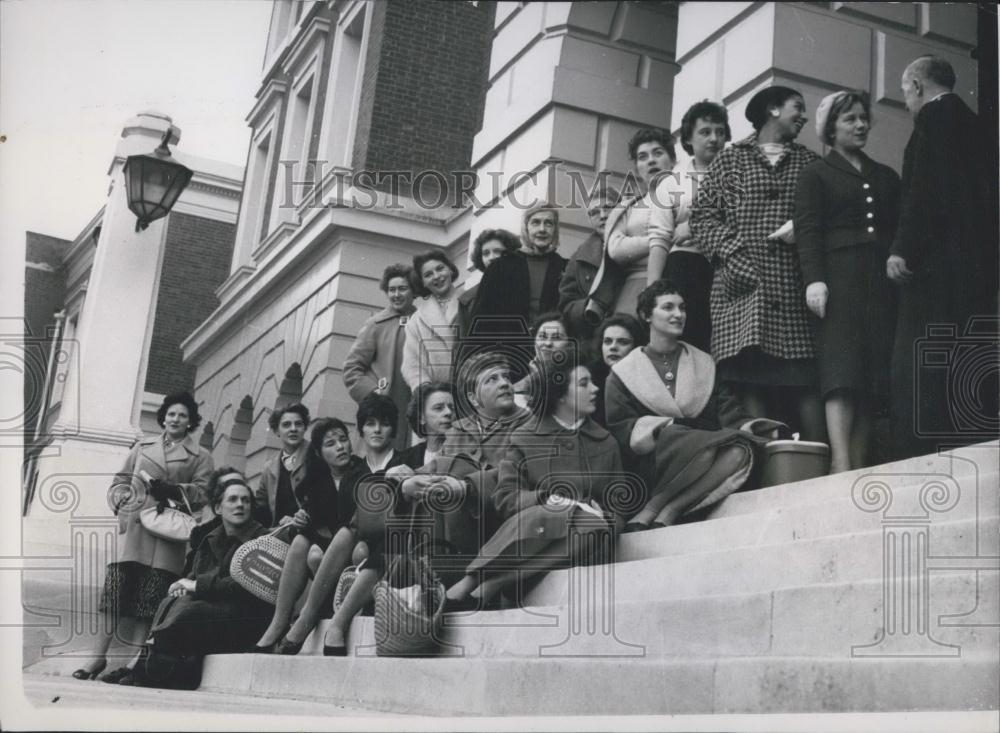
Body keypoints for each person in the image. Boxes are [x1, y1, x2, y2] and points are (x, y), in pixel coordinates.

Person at [690, 86, 826, 441]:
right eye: (798, 107)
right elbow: (703, 218)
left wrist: (803, 226)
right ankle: (762, 474)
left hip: (794, 288)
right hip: (742, 290)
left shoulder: (810, 163)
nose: (804, 116)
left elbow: (825, 216)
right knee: (750, 383)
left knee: (806, 381)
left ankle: (818, 465)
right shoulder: (732, 160)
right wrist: (735, 255)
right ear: (773, 109)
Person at [444, 360, 625, 610]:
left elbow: (619, 509)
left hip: (582, 542)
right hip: (531, 532)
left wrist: (604, 515)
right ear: (560, 395)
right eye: (584, 384)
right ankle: (473, 580)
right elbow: (505, 498)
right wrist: (546, 499)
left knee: (591, 524)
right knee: (561, 512)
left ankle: (488, 585)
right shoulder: (525, 437)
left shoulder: (607, 443)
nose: (595, 389)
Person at [605, 280, 785, 531]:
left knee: (740, 452)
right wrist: (660, 428)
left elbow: (727, 408)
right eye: (668, 307)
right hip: (655, 460)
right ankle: (652, 506)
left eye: (682, 308)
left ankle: (670, 509)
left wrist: (750, 425)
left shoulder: (703, 363)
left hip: (702, 452)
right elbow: (621, 427)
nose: (678, 315)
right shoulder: (623, 373)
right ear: (647, 315)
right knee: (706, 448)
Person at [888, 56, 998, 459]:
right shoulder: (980, 125)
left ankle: (922, 451)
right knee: (970, 356)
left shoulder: (931, 122)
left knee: (922, 359)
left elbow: (924, 191)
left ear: (917, 85)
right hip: (979, 269)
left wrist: (903, 248)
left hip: (935, 268)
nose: (904, 101)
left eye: (903, 91)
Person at [794, 90, 900, 472]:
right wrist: (814, 281)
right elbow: (808, 231)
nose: (860, 125)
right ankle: (840, 460)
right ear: (830, 128)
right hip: (839, 282)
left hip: (879, 284)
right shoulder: (815, 173)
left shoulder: (886, 175)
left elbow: (897, 228)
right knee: (842, 372)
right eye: (850, 119)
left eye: (862, 118)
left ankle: (858, 461)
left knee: (872, 374)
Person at [76, 392, 213, 684]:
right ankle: (96, 657)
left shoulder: (201, 456)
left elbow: (204, 492)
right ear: (163, 417)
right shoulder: (142, 446)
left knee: (148, 601)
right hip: (135, 530)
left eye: (183, 416)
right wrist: (122, 504)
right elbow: (120, 480)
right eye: (172, 414)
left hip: (166, 537)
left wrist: (174, 489)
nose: (175, 420)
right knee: (114, 596)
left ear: (191, 422)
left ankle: (133, 662)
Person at [271, 395, 416, 655]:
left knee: (354, 542)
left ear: (393, 429)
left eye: (384, 424)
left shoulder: (405, 461)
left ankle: (331, 622)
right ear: (361, 430)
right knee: (343, 536)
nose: (378, 430)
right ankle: (306, 618)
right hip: (355, 541)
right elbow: (342, 517)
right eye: (370, 424)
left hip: (392, 541)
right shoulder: (351, 475)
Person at [252, 418, 360, 652]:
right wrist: (300, 522)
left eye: (343, 440)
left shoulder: (362, 472)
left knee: (331, 543)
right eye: (331, 444)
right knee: (301, 542)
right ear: (320, 453)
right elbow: (313, 523)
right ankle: (278, 622)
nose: (340, 446)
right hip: (328, 552)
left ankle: (306, 618)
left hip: (355, 551)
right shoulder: (317, 481)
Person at [144, 472, 273, 665]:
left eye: (245, 501)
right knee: (170, 602)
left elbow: (245, 586)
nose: (240, 505)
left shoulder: (262, 539)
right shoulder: (210, 538)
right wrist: (183, 587)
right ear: (218, 508)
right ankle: (146, 664)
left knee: (193, 613)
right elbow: (193, 575)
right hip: (215, 611)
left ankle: (149, 660)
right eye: (233, 499)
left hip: (247, 618)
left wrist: (195, 586)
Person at [659, 100, 732, 352]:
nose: (714, 139)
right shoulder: (671, 182)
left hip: (725, 268)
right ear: (688, 138)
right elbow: (660, 237)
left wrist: (694, 227)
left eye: (720, 132)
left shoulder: (737, 177)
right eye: (705, 132)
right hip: (685, 269)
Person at [595, 128, 677, 317]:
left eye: (658, 153)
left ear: (672, 160)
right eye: (642, 157)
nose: (651, 160)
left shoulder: (686, 199)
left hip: (677, 283)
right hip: (632, 291)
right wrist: (663, 239)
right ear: (637, 168)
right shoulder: (628, 206)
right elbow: (616, 249)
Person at [342, 264, 417, 449]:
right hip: (383, 410)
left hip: (414, 408)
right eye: (392, 290)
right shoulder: (375, 324)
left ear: (413, 290)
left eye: (402, 289)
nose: (396, 295)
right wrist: (374, 393)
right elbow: (352, 369)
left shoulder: (422, 321)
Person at [473, 203, 568, 335]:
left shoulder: (565, 268)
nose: (542, 229)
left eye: (548, 223)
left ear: (555, 230)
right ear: (526, 228)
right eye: (535, 222)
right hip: (508, 349)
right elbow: (482, 318)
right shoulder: (500, 267)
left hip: (550, 347)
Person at [558, 182, 624, 339]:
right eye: (594, 212)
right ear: (589, 219)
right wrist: (587, 307)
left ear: (622, 210)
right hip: (597, 337)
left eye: (608, 207)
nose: (602, 215)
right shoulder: (580, 257)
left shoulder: (639, 243)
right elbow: (566, 305)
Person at [401, 251, 461, 389]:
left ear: (450, 269)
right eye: (428, 275)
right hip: (439, 398)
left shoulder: (472, 302)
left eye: (440, 269)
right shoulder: (416, 321)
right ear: (423, 282)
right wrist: (427, 392)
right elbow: (411, 364)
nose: (436, 276)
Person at [253, 403, 312, 529]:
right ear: (276, 431)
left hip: (309, 531)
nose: (293, 429)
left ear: (305, 428)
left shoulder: (316, 456)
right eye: (286, 425)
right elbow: (260, 507)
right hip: (278, 533)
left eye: (298, 424)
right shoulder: (269, 468)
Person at [457, 229, 521, 340]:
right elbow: (463, 340)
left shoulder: (523, 286)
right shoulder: (467, 299)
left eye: (497, 251)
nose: (491, 257)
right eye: (486, 253)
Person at [588, 313, 646, 427]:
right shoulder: (590, 378)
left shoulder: (645, 380)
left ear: (636, 346)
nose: (613, 347)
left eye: (623, 342)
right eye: (607, 341)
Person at [512, 312, 575, 409]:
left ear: (570, 344)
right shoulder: (516, 387)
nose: (548, 343)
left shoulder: (576, 381)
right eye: (542, 336)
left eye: (557, 338)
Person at [395, 381, 456, 470]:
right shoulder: (405, 459)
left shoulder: (469, 453)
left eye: (452, 408)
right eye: (438, 408)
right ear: (421, 418)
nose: (448, 412)